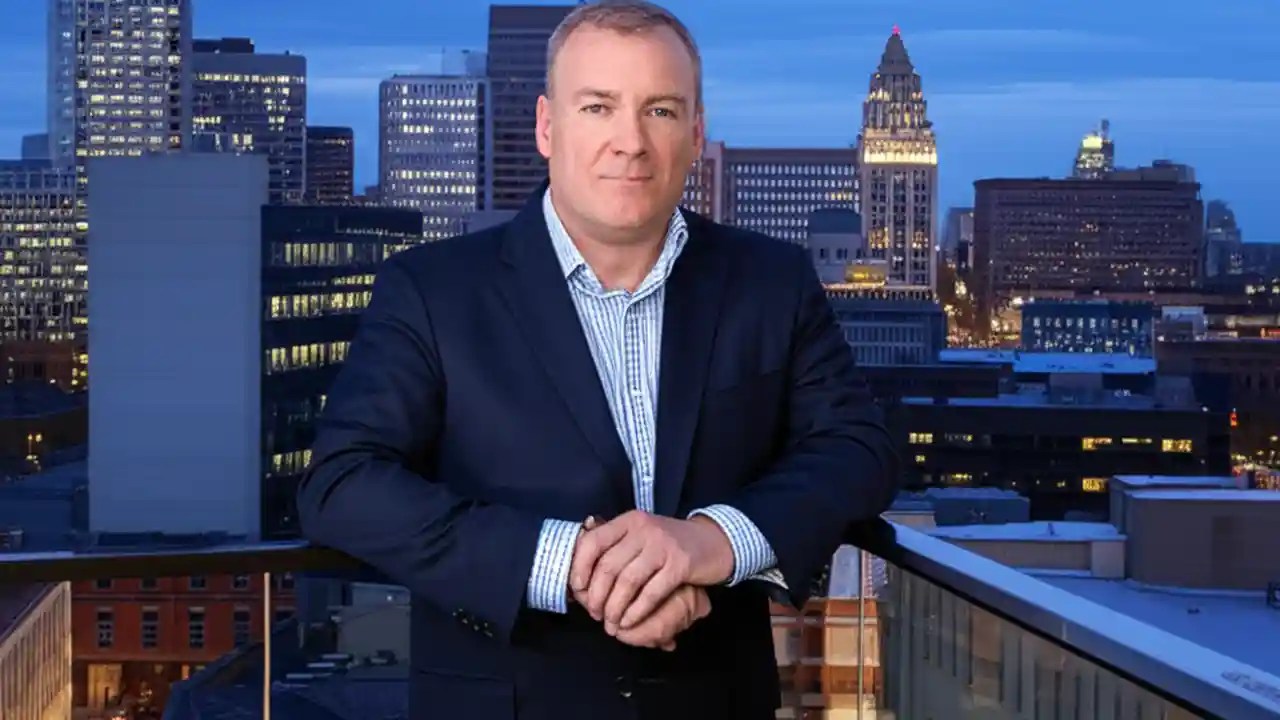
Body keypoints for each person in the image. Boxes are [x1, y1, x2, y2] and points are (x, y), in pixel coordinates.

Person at [296, 1, 899, 717]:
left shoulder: (772, 281)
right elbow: (342, 483)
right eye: (599, 107)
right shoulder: (432, 290)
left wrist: (713, 541)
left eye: (661, 111)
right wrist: (568, 563)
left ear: (697, 130)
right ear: (548, 127)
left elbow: (859, 449)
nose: (631, 142)